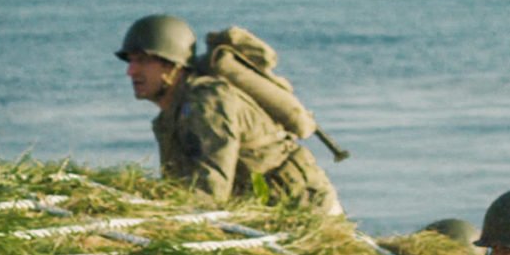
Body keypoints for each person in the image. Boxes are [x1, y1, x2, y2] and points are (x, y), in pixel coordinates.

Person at [115, 14, 343, 215]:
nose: (131, 71)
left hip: (306, 210)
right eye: (131, 61)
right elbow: (181, 185)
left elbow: (212, 187)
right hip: (268, 211)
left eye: (142, 61)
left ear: (171, 65)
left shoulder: (208, 103)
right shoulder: (170, 117)